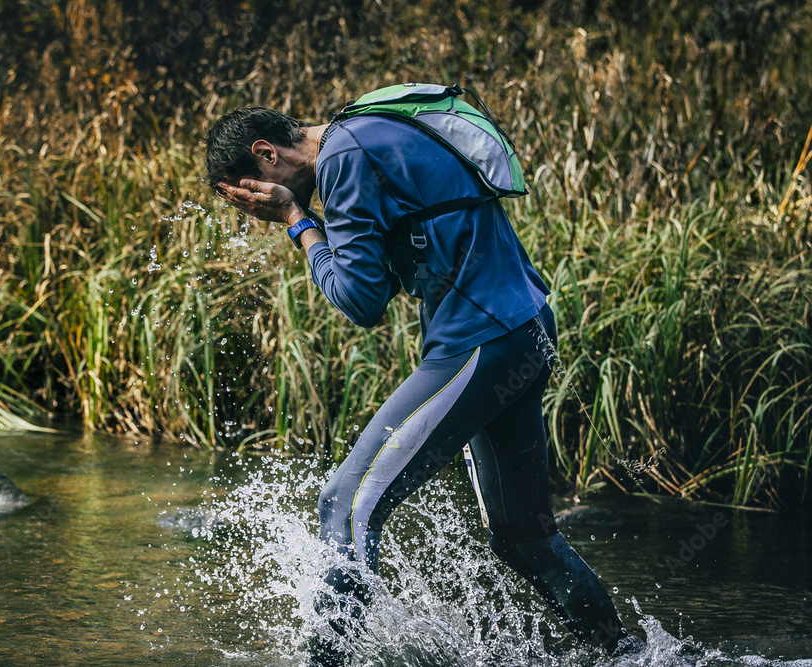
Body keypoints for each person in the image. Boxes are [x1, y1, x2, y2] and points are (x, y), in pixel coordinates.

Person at [204, 101, 625, 664]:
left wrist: (297, 222)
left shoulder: (343, 161)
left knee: (345, 503)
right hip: (524, 326)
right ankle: (628, 655)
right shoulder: (367, 127)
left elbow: (360, 300)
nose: (253, 208)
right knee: (525, 539)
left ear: (265, 154)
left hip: (481, 341)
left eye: (249, 194)